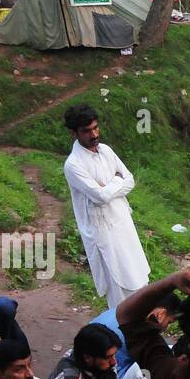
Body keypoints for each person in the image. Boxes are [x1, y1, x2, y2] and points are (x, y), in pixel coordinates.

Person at [62, 104, 151, 308]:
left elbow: (130, 179)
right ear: (74, 133)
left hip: (123, 223)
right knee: (119, 289)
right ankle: (123, 334)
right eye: (86, 131)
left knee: (139, 279)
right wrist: (116, 181)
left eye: (95, 128)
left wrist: (111, 184)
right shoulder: (74, 164)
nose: (94, 134)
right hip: (103, 233)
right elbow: (99, 196)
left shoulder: (107, 151)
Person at [90, 291, 181, 375]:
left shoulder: (123, 312)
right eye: (169, 322)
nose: (166, 328)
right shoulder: (137, 331)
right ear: (161, 314)